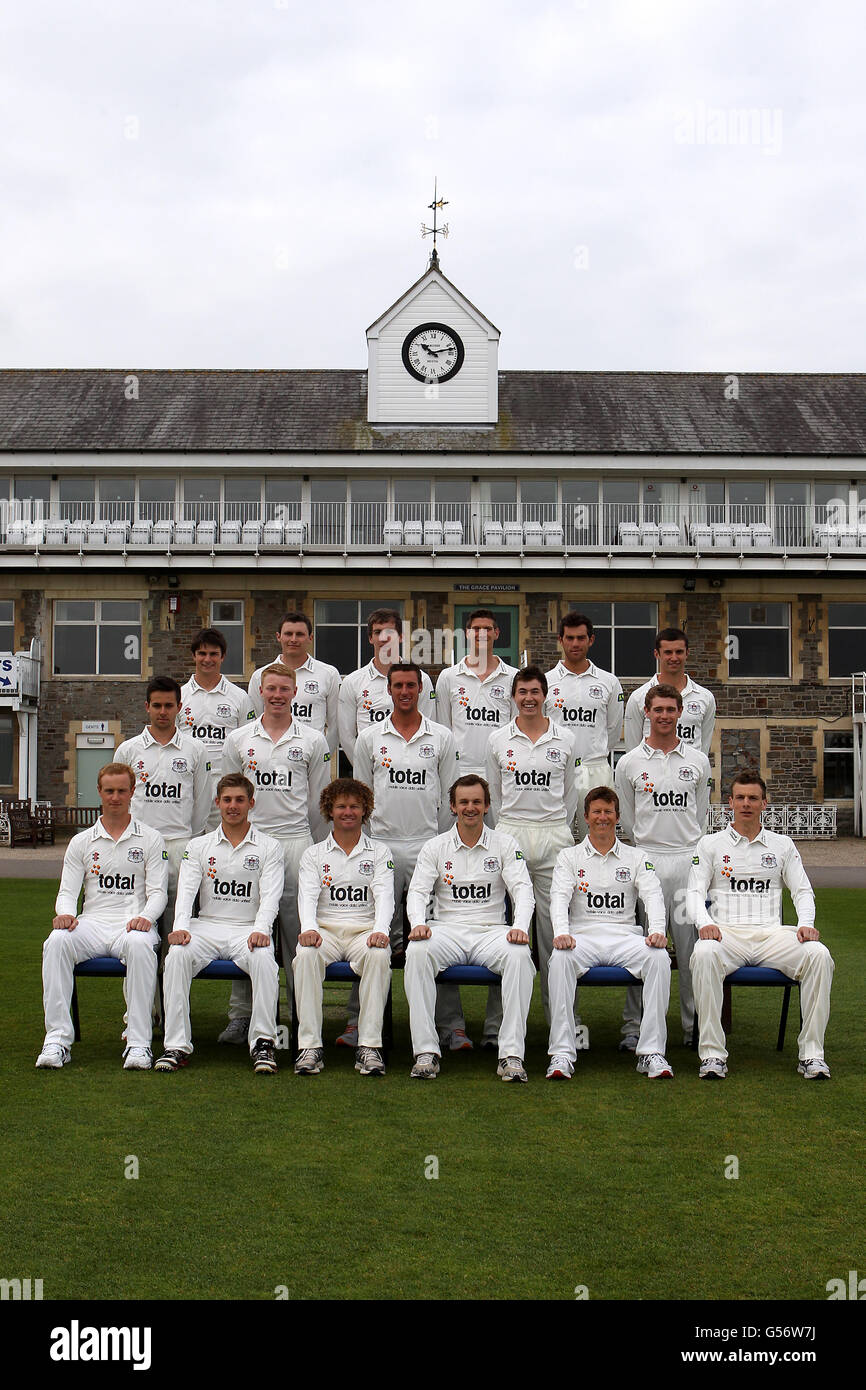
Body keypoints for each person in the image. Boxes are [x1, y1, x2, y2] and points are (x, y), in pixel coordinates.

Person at [687, 772, 834, 1080]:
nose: (746, 804)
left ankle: (812, 1055)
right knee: (703, 954)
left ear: (764, 803)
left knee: (819, 955)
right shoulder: (710, 844)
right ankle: (713, 1055)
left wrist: (805, 924)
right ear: (729, 803)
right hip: (727, 934)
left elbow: (802, 891)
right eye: (740, 797)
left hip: (771, 935)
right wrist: (705, 922)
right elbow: (694, 892)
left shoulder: (782, 845)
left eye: (753, 798)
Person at [36, 762, 167, 1070]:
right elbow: (67, 891)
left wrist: (146, 917)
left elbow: (158, 892)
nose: (115, 798)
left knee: (139, 945)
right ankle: (57, 1040)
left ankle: (138, 1043)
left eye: (122, 791)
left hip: (133, 924)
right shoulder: (81, 841)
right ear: (99, 792)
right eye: (109, 791)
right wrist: (66, 914)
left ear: (132, 792)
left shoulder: (150, 838)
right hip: (92, 923)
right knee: (55, 941)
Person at [403, 775, 536, 1082]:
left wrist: (519, 927)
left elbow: (523, 890)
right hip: (447, 930)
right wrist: (419, 924)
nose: (470, 808)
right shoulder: (435, 846)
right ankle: (426, 1052)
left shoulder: (505, 844)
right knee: (418, 951)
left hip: (491, 932)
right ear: (452, 806)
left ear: (487, 806)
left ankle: (511, 1055)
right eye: (463, 802)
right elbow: (418, 892)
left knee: (519, 956)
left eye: (477, 801)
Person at [222, 664, 330, 1031]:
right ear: (261, 692)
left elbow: (317, 803)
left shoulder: (313, 740)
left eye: (285, 688)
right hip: (250, 846)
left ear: (295, 692)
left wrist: (311, 846)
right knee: (246, 932)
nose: (278, 695)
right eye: (271, 688)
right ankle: (242, 1017)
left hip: (296, 843)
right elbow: (228, 795)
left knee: (297, 934)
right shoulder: (239, 739)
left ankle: (301, 1018)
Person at [155, 774, 283, 1075]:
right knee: (177, 956)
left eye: (240, 800)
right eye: (227, 800)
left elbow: (271, 896)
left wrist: (261, 930)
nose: (233, 806)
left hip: (247, 928)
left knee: (265, 959)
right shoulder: (198, 846)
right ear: (217, 803)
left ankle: (263, 1043)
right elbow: (186, 891)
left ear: (251, 803)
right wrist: (182, 926)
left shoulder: (269, 846)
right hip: (207, 927)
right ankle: (176, 1045)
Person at [546, 786, 673, 1080]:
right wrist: (561, 932)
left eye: (608, 812)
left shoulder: (636, 857)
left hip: (624, 937)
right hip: (583, 938)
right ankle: (562, 1054)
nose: (602, 817)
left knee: (658, 958)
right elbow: (559, 897)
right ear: (586, 817)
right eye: (597, 812)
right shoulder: (569, 857)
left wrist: (656, 931)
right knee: (560, 959)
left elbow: (653, 895)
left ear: (617, 816)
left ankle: (652, 1051)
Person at [433, 607, 517, 1049]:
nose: (482, 634)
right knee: (449, 891)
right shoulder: (448, 678)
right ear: (466, 635)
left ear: (497, 633)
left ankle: (495, 1027)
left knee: (495, 897)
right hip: (458, 784)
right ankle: (451, 1026)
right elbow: (444, 735)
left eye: (489, 629)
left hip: (497, 784)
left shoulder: (512, 676)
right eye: (475, 629)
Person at [615, 684, 712, 1047]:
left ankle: (693, 1027)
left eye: (671, 710)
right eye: (658, 710)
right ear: (647, 714)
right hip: (646, 862)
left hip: (687, 863)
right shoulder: (629, 763)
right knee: (642, 948)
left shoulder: (697, 761)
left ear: (680, 712)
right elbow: (626, 816)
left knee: (691, 953)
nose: (665, 716)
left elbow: (700, 814)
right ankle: (633, 1027)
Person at [485, 666, 579, 1019]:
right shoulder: (497, 739)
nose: (528, 698)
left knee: (554, 929)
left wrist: (555, 825)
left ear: (546, 696)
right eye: (522, 692)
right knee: (508, 924)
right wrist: (507, 830)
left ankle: (562, 1020)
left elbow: (570, 795)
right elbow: (494, 793)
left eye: (535, 692)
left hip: (554, 833)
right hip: (511, 831)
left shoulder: (566, 739)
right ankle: (500, 1023)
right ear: (513, 696)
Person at [352, 662, 459, 960]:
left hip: (426, 843)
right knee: (376, 931)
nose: (404, 691)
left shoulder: (442, 737)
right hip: (382, 843)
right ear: (388, 690)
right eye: (398, 686)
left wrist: (438, 841)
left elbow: (451, 796)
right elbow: (362, 796)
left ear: (421, 688)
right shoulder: (370, 737)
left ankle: (444, 1009)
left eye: (410, 685)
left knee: (430, 931)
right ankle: (360, 1007)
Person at [293, 778, 395, 1077]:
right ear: (329, 810)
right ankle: (309, 1046)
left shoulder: (379, 852)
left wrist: (381, 931)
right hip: (325, 929)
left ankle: (369, 1047)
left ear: (365, 811)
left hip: (364, 931)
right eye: (341, 806)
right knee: (307, 954)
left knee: (379, 956)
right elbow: (308, 895)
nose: (347, 812)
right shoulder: (314, 854)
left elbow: (384, 894)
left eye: (354, 806)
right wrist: (309, 928)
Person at [115, 676, 213, 944]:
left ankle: (171, 984)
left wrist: (186, 836)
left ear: (179, 707)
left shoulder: (195, 749)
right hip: (139, 846)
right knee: (135, 923)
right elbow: (120, 799)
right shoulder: (128, 749)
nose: (163, 711)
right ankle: (139, 986)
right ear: (147, 706)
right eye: (157, 705)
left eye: (169, 705)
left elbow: (202, 802)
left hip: (179, 845)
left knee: (176, 926)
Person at [545, 612, 623, 840]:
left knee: (600, 834)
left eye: (580, 638)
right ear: (560, 640)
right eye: (569, 638)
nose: (575, 643)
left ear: (591, 640)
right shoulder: (547, 681)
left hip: (595, 767)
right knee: (560, 837)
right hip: (557, 769)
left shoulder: (608, 682)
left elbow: (613, 729)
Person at [179, 627, 256, 832]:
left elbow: (248, 744)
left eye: (213, 654)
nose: (207, 659)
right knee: (189, 844)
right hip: (187, 783)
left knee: (223, 844)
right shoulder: (179, 696)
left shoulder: (239, 697)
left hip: (223, 784)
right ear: (193, 655)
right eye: (202, 653)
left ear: (223, 657)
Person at [337, 608, 434, 766]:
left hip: (411, 772)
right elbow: (347, 736)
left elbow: (428, 728)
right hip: (370, 769)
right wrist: (364, 769)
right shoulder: (352, 681)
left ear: (401, 637)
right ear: (370, 638)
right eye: (378, 632)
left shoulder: (421, 679)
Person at [248, 611, 341, 757]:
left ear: (310, 638)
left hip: (310, 758)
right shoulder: (259, 676)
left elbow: (335, 726)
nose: (293, 639)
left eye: (299, 634)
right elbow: (254, 723)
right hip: (269, 759)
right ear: (278, 637)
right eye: (288, 634)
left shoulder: (329, 674)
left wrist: (321, 756)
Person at [623, 627, 715, 754]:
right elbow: (632, 750)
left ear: (687, 653)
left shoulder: (705, 697)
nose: (674, 657)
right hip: (651, 771)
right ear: (657, 654)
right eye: (668, 652)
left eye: (679, 652)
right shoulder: (638, 697)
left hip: (688, 772)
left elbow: (703, 750)